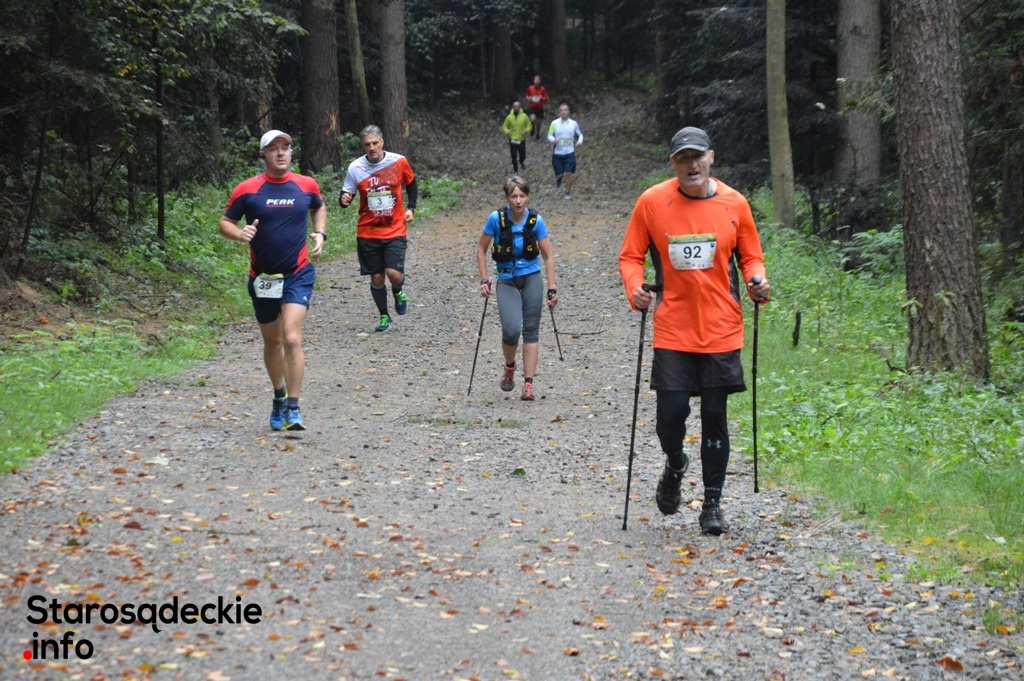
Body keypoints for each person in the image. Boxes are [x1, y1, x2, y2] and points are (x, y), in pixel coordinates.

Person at [618, 126, 770, 536]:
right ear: (673, 164)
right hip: (673, 328)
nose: (691, 165)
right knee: (671, 417)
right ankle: (674, 463)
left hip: (721, 327)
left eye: (697, 157)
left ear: (711, 158)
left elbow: (751, 257)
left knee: (715, 416)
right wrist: (635, 289)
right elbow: (631, 256)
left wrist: (757, 281)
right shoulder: (652, 202)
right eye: (683, 158)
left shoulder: (734, 203)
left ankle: (713, 503)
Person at [219, 129, 327, 431]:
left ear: (292, 152)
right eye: (274, 149)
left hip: (297, 273)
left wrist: (320, 233)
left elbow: (318, 206)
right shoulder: (248, 190)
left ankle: (294, 408)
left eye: (286, 147)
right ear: (263, 154)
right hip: (263, 277)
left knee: (292, 337)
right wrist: (240, 234)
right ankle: (278, 396)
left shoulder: (306, 185)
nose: (281, 153)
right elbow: (225, 222)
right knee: (273, 341)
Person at [476, 176, 559, 401]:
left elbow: (548, 256)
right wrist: (484, 280)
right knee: (511, 330)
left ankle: (528, 384)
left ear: (528, 196)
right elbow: (481, 249)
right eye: (514, 196)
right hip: (507, 279)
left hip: (531, 277)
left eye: (522, 196)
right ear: (507, 198)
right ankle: (510, 366)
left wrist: (552, 288)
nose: (518, 201)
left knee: (531, 330)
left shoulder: (535, 221)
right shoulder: (496, 219)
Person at [339, 125, 418, 333]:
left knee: (393, 273)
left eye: (375, 143)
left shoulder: (398, 161)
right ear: (363, 146)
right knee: (376, 277)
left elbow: (411, 183)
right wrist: (344, 199)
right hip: (368, 231)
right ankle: (384, 315)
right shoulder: (355, 168)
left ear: (382, 142)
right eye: (367, 144)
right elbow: (346, 195)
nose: (372, 147)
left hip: (395, 228)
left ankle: (398, 290)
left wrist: (411, 208)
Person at [547, 102, 583, 200]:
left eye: (565, 110)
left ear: (569, 111)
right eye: (561, 110)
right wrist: (553, 140)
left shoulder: (573, 124)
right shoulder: (554, 123)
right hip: (557, 154)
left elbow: (580, 134)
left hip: (569, 153)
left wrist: (580, 141)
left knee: (568, 173)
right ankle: (559, 178)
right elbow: (549, 135)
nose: (563, 112)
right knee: (560, 175)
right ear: (559, 112)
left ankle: (567, 193)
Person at [502, 101, 533, 173]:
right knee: (513, 156)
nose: (516, 108)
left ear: (520, 107)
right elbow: (504, 127)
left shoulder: (524, 116)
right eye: (515, 107)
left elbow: (529, 126)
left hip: (521, 139)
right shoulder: (509, 117)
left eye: (517, 107)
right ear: (513, 107)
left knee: (523, 154)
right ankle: (516, 171)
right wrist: (508, 132)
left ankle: (521, 161)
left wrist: (526, 131)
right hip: (512, 140)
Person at [524, 75, 548, 140]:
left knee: (539, 122)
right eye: (535, 80)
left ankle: (538, 134)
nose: (536, 81)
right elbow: (526, 95)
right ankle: (532, 129)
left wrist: (541, 98)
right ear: (533, 81)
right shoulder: (530, 88)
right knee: (533, 119)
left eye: (537, 80)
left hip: (540, 107)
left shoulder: (542, 89)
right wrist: (529, 98)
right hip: (532, 107)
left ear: (540, 81)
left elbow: (546, 98)